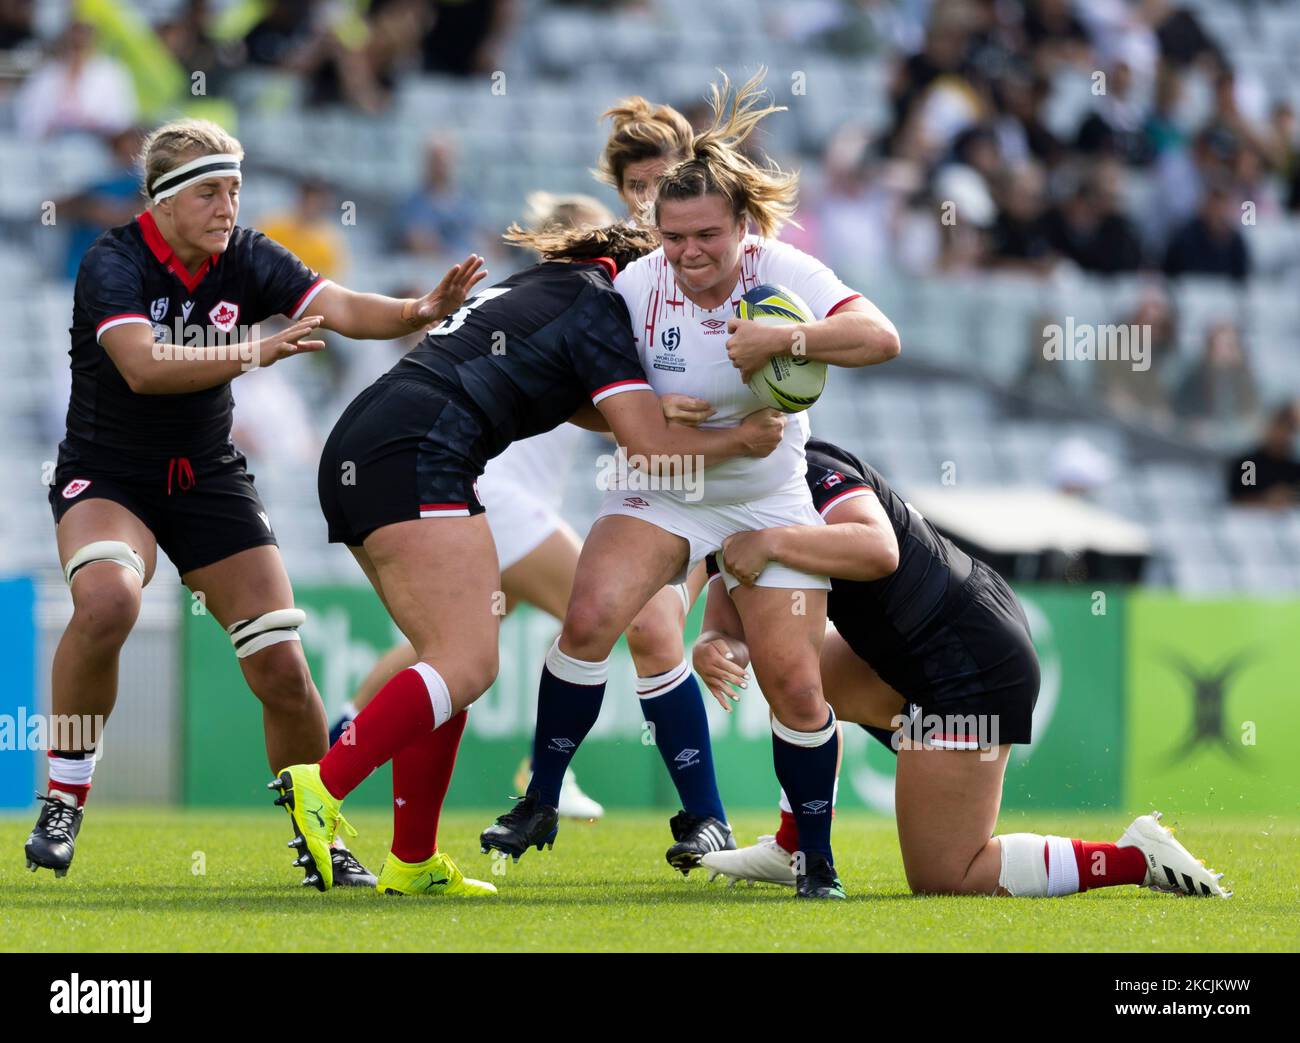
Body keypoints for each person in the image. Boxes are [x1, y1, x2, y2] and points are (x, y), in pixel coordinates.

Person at [25, 117, 484, 886]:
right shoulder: (113, 260)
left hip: (206, 476)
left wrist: (415, 312)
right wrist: (254, 350)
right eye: (209, 191)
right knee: (106, 601)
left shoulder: (246, 256)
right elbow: (140, 367)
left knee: (280, 667)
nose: (227, 206)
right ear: (164, 202)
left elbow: (334, 304)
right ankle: (65, 798)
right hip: (110, 473)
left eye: (234, 189)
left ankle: (320, 833)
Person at [269, 218, 787, 897]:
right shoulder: (604, 305)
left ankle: (414, 858)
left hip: (369, 442)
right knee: (470, 661)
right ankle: (323, 781)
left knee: (443, 660)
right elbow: (649, 447)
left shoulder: (552, 285)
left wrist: (671, 410)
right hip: (421, 451)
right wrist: (740, 438)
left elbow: (575, 400)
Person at [479, 73, 902, 899]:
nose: (689, 253)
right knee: (592, 615)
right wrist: (638, 412)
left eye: (707, 234)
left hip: (766, 493)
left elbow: (880, 337)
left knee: (794, 682)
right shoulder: (637, 286)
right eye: (672, 237)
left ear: (743, 225)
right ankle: (538, 802)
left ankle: (814, 858)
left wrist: (790, 336)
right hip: (664, 480)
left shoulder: (781, 269)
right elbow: (578, 397)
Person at [692, 437, 1231, 900]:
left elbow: (879, 549)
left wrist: (772, 541)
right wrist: (715, 646)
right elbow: (733, 625)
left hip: (969, 660)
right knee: (792, 672)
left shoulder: (809, 468)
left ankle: (1135, 858)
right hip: (927, 652)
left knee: (946, 876)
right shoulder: (732, 503)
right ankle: (797, 843)